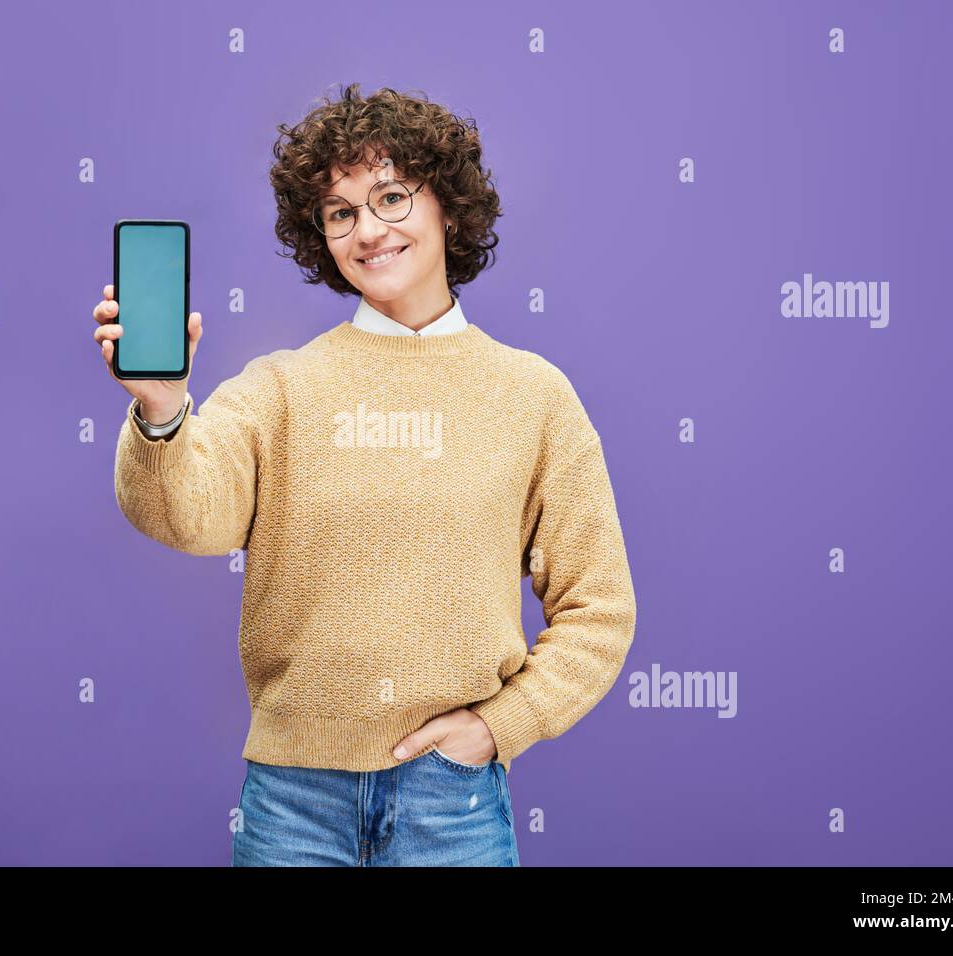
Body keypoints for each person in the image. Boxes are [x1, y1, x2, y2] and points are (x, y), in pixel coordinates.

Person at [91, 83, 637, 866]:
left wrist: (498, 728)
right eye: (341, 212)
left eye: (390, 197)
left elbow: (601, 609)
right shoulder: (281, 387)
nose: (367, 230)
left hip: (451, 803)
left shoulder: (533, 396)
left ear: (447, 206)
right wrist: (162, 410)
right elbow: (187, 516)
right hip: (292, 803)